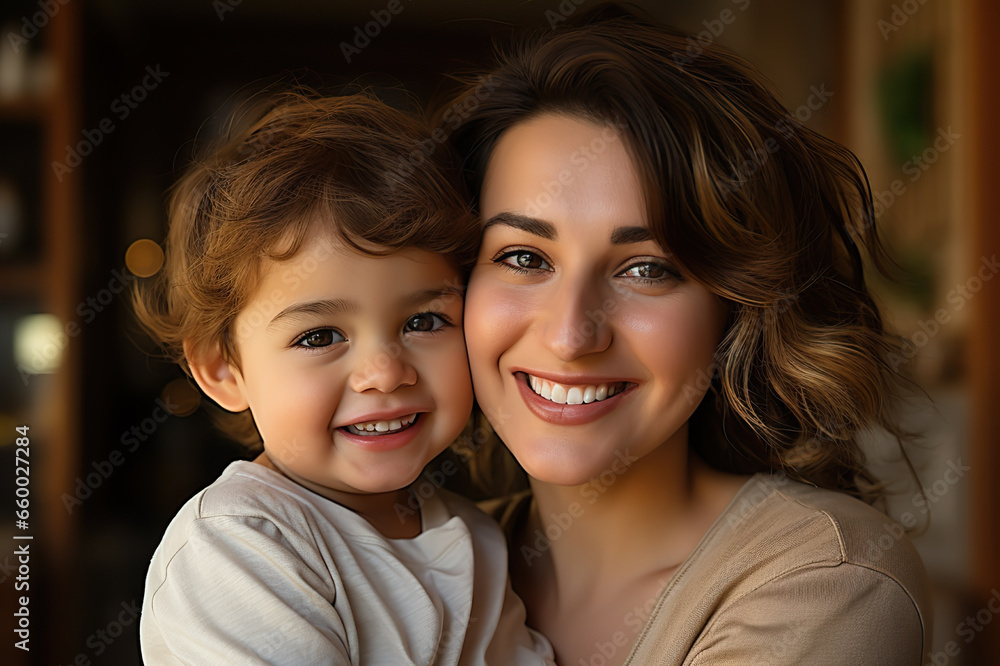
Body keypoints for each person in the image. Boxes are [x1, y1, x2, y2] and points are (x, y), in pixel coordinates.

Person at [438, 4, 931, 664]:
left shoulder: (827, 579)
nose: (569, 334)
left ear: (736, 311)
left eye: (647, 269)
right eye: (524, 257)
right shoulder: (422, 563)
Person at [134, 90, 555, 665]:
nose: (384, 373)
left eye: (424, 321)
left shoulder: (477, 535)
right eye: (320, 337)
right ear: (222, 368)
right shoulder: (238, 548)